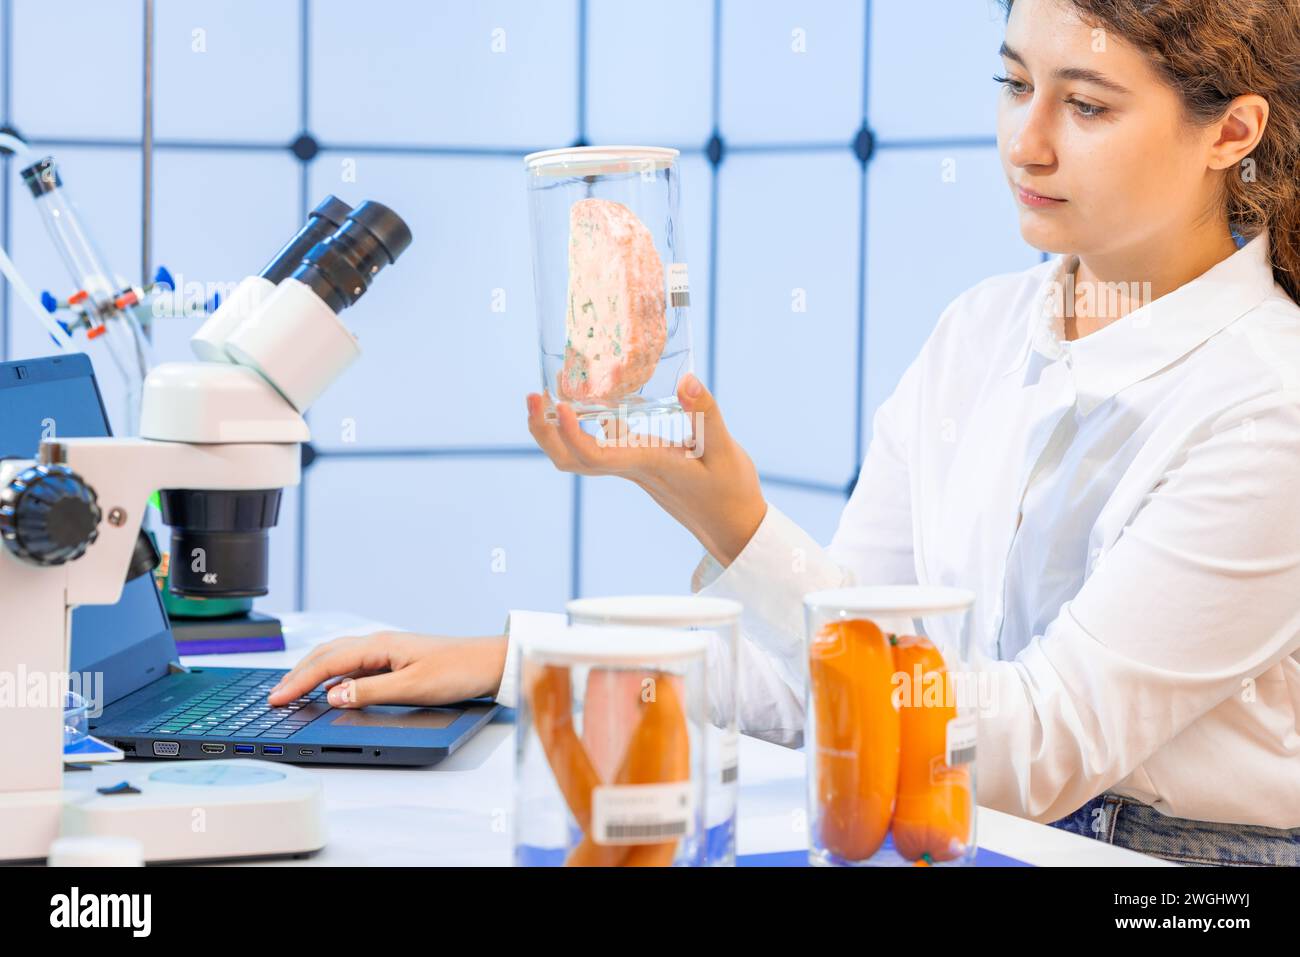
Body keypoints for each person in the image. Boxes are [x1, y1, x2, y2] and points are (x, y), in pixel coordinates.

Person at [268, 0, 1300, 865]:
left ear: (1229, 133)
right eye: (1012, 85)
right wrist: (520, 661)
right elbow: (818, 686)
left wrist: (743, 529)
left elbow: (1033, 750)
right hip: (958, 828)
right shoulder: (982, 332)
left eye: (1084, 105)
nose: (1025, 142)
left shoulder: (1267, 407)